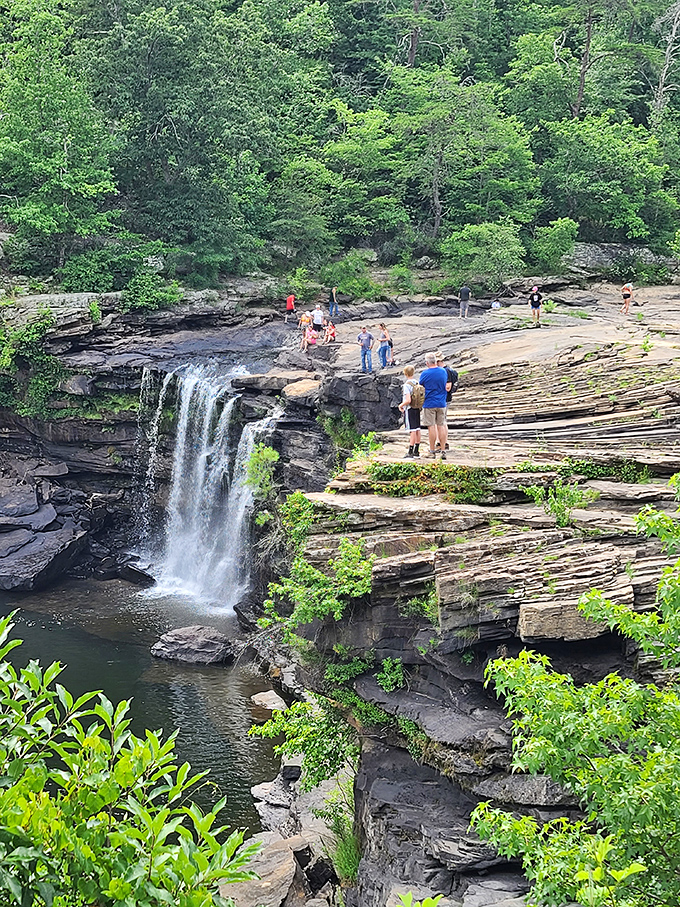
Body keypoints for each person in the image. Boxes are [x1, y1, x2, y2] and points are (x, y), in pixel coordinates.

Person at [419, 352, 449, 459]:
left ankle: (432, 451)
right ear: (436, 361)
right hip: (441, 402)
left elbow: (420, 386)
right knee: (441, 425)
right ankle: (443, 450)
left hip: (429, 403)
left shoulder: (425, 374)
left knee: (431, 427)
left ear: (427, 363)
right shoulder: (443, 371)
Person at [435, 351, 458, 451]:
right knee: (442, 421)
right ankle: (443, 442)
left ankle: (442, 443)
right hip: (443, 398)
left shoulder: (445, 371)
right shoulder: (445, 370)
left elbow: (448, 387)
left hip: (444, 398)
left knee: (441, 421)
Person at [398, 365, 421, 459]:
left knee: (412, 430)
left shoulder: (407, 385)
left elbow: (408, 400)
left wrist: (401, 405)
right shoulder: (416, 383)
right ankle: (416, 450)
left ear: (405, 374)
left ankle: (410, 452)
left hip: (410, 409)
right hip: (417, 408)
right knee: (417, 429)